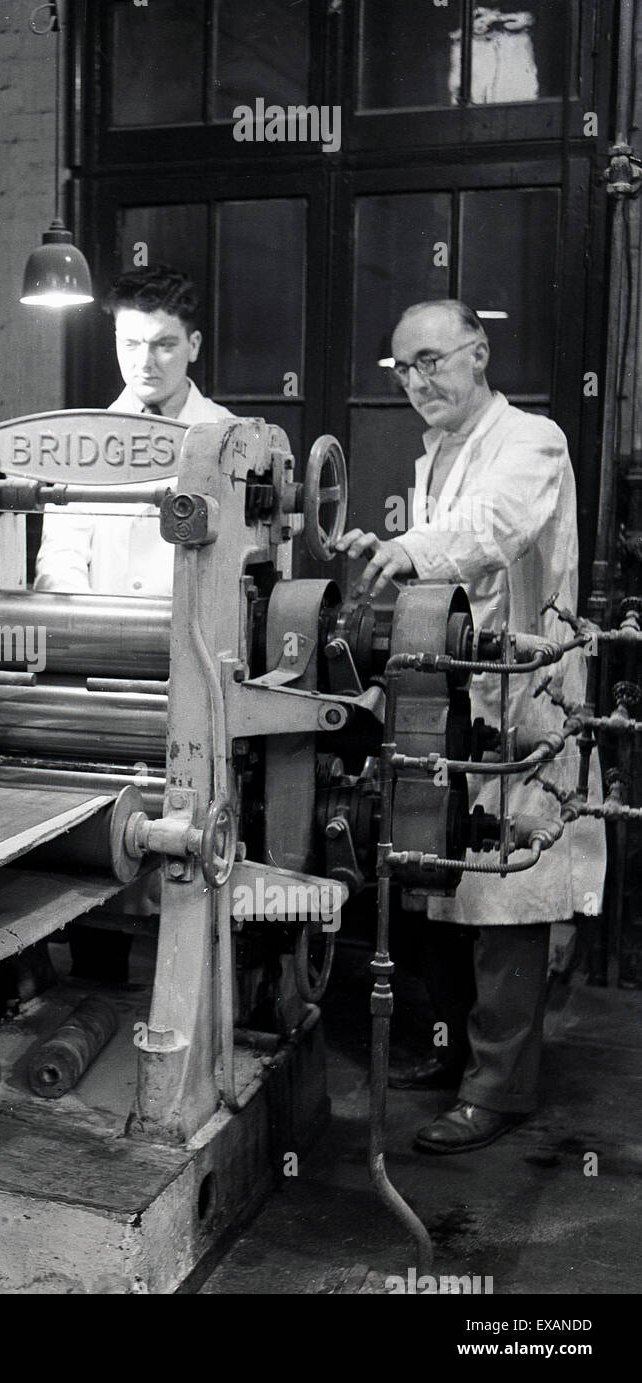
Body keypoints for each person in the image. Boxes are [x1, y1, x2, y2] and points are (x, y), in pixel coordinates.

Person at [335, 299, 607, 1154]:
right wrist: (378, 553)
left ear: (479, 351)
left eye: (433, 361)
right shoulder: (439, 456)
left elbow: (492, 529)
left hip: (525, 703)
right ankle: (458, 1056)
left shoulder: (533, 440)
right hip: (455, 702)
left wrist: (412, 551)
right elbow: (442, 554)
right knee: (443, 873)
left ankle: (500, 1089)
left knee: (506, 898)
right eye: (404, 369)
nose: (419, 381)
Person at [33, 265, 235, 599]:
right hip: (102, 639)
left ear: (194, 345)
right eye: (130, 344)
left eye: (164, 344)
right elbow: (60, 560)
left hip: (198, 642)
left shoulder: (229, 437)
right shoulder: (85, 440)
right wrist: (88, 629)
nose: (144, 362)